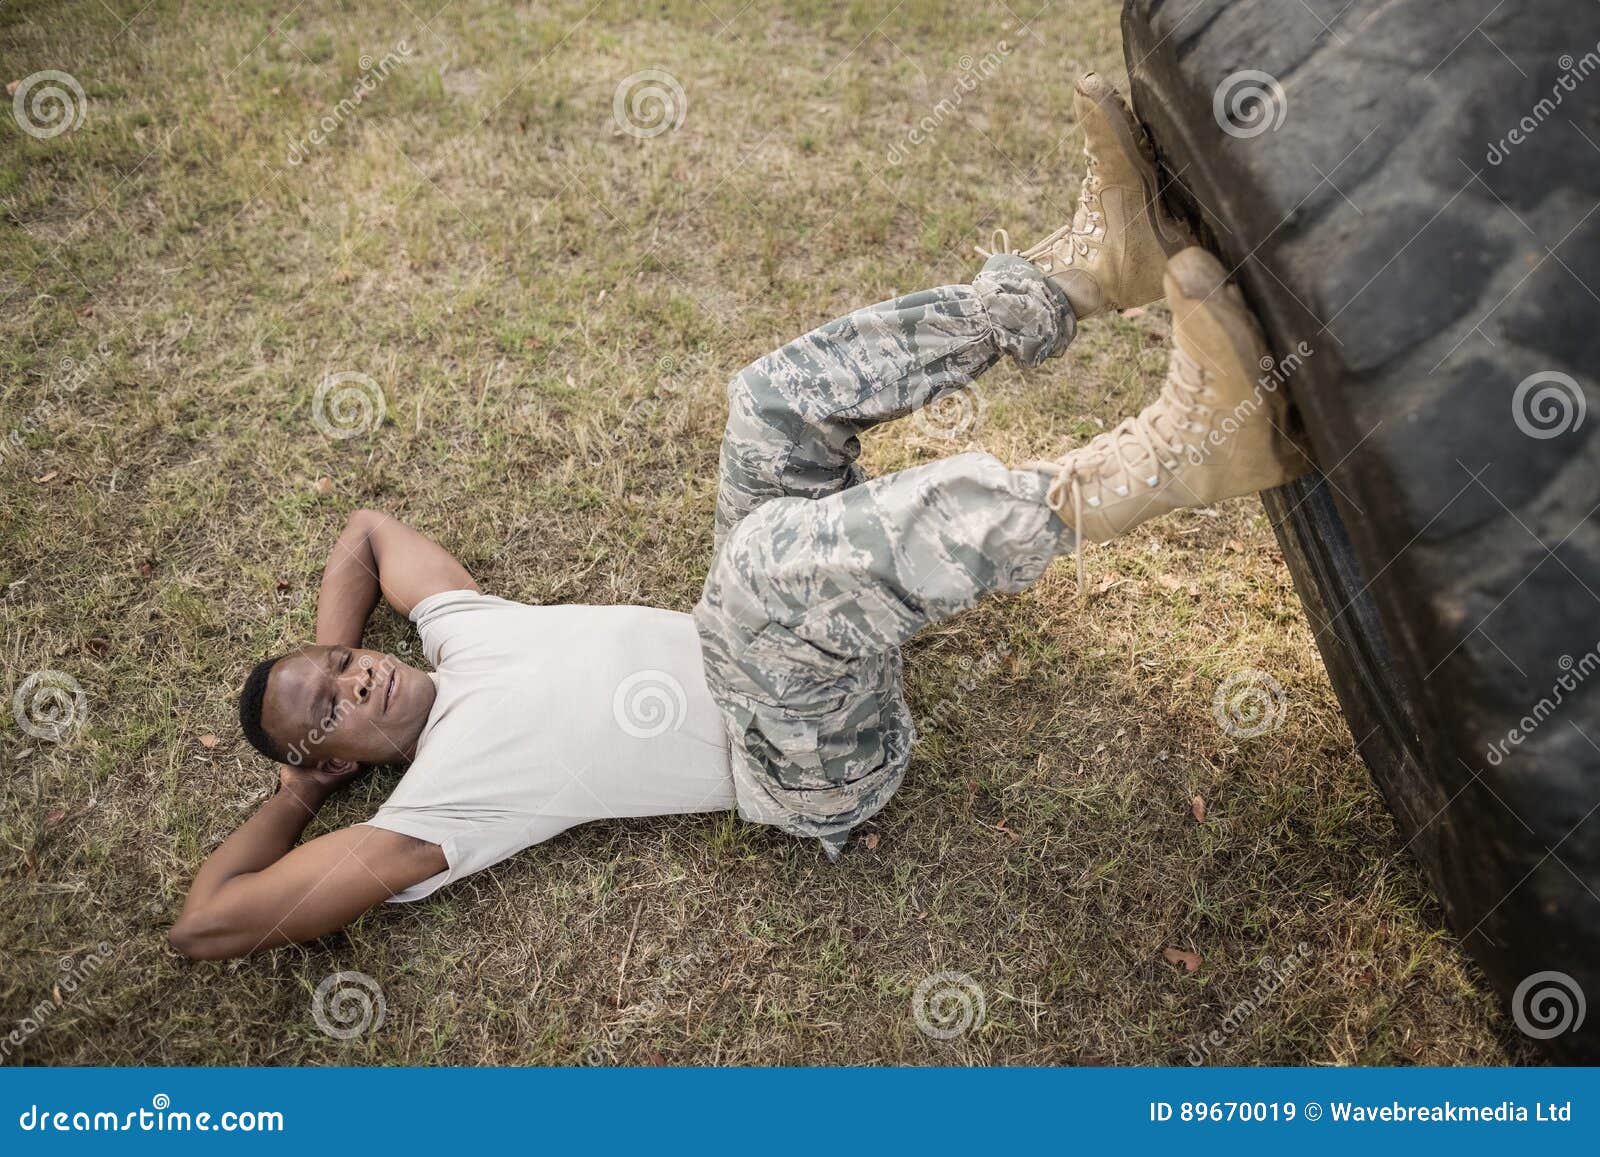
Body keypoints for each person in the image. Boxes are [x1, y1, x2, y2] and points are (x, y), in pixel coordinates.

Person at [169, 75, 1306, 961]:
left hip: (781, 641)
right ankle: (1165, 462)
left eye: (337, 660)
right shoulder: (426, 815)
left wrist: (318, 658)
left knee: (768, 400)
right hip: (804, 761)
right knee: (758, 573)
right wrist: (297, 791)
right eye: (330, 702)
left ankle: (1076, 278)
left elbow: (365, 531)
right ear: (336, 752)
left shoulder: (461, 630)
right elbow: (205, 924)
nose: (351, 675)